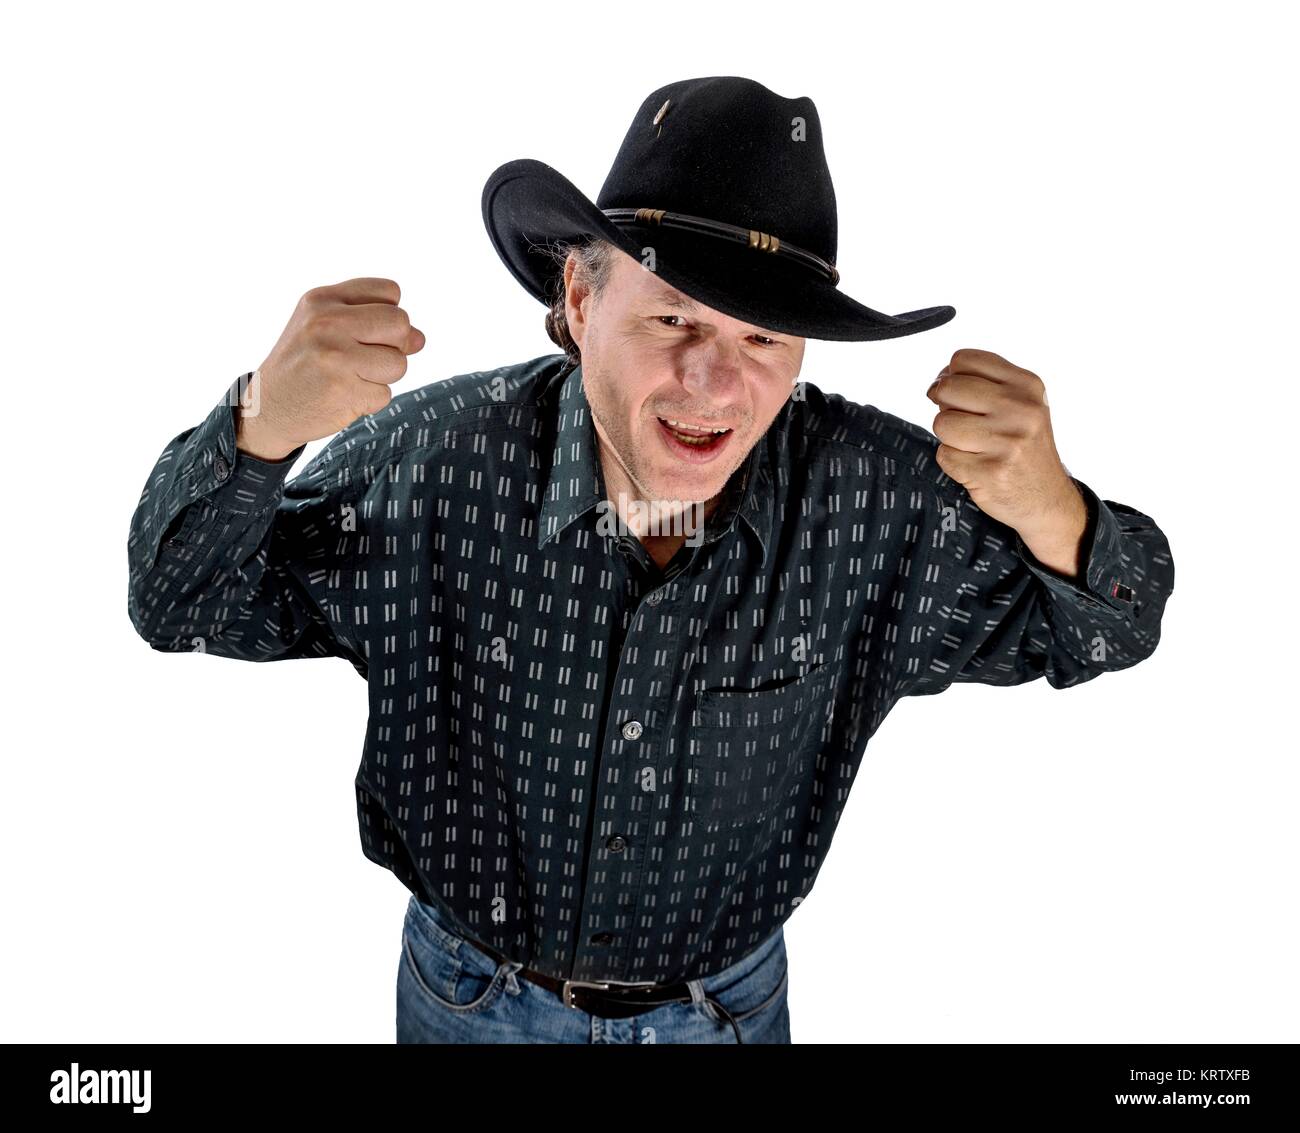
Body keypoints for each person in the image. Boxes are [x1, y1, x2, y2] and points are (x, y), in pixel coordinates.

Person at [126, 76, 1176, 1044]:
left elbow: (1109, 628)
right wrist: (261, 422)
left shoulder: (875, 499)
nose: (714, 382)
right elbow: (180, 603)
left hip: (727, 1009)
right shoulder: (431, 461)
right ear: (580, 305)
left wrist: (1052, 505)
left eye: (764, 338)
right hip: (469, 1003)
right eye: (672, 316)